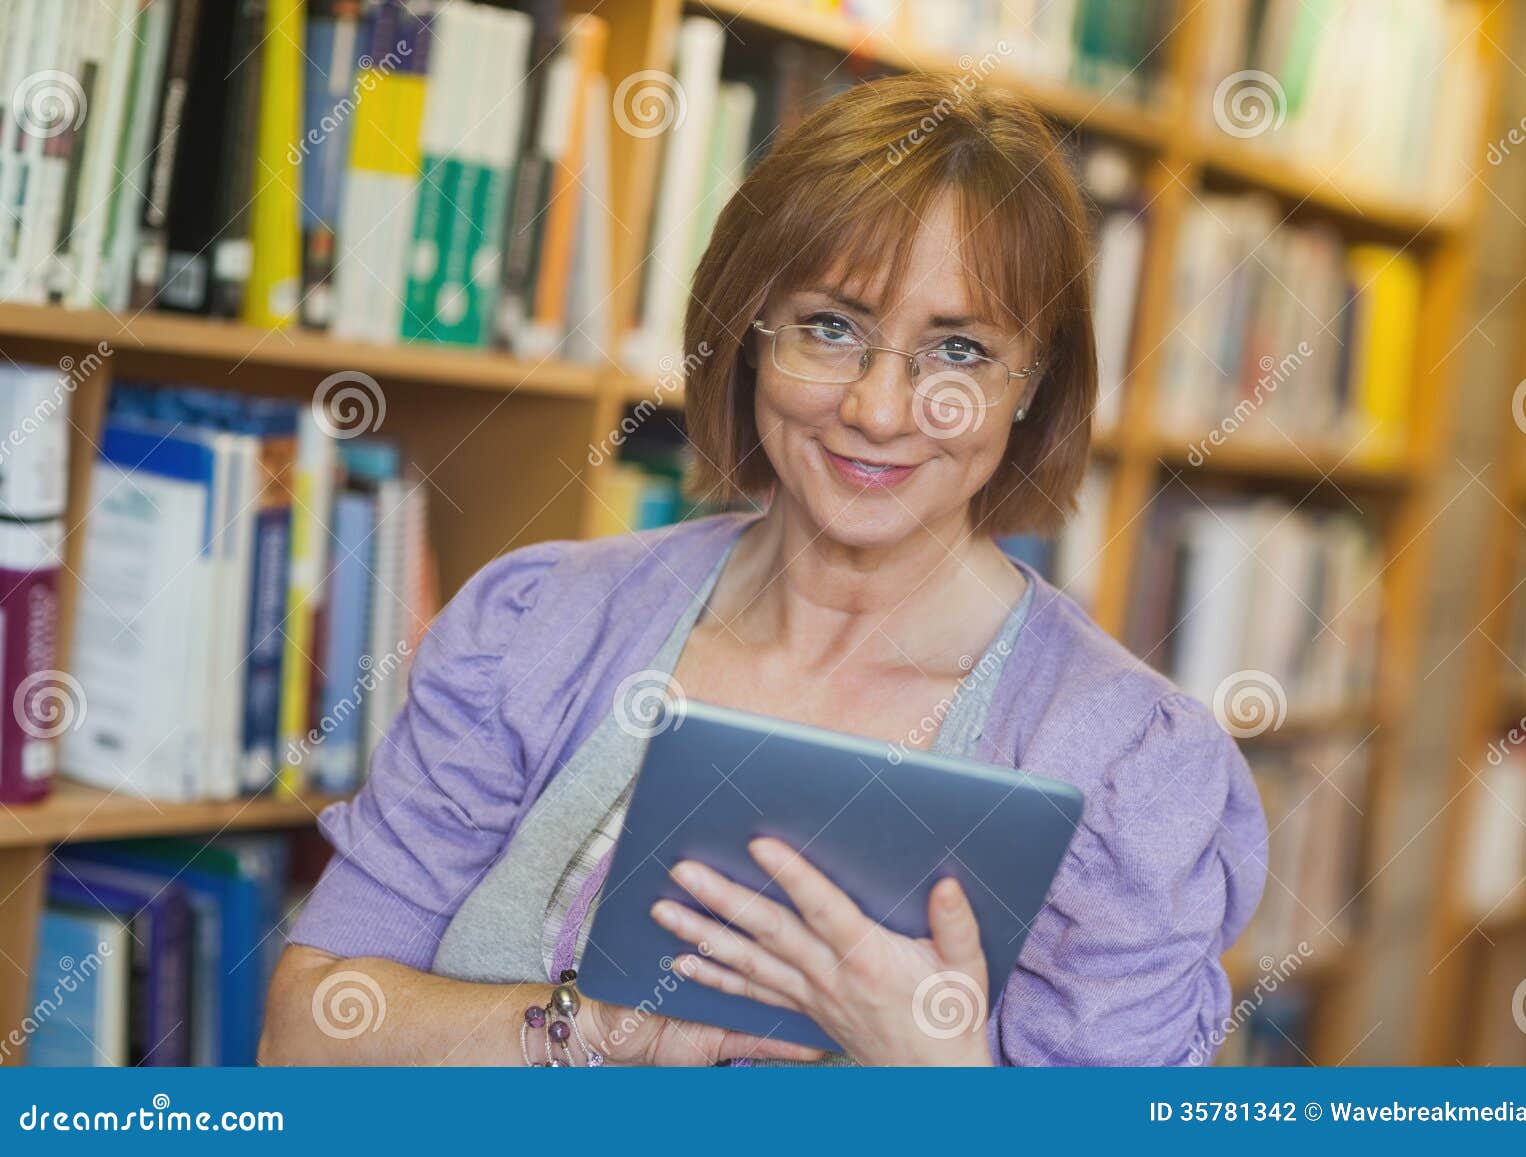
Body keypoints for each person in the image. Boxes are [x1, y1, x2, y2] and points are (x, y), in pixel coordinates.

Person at [260, 73, 1267, 1068]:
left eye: (956, 350)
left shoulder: (1124, 766)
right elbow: (309, 1032)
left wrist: (936, 1081)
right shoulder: (540, 626)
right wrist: (608, 1029)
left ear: (1029, 386)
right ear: (747, 332)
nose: (879, 408)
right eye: (831, 327)